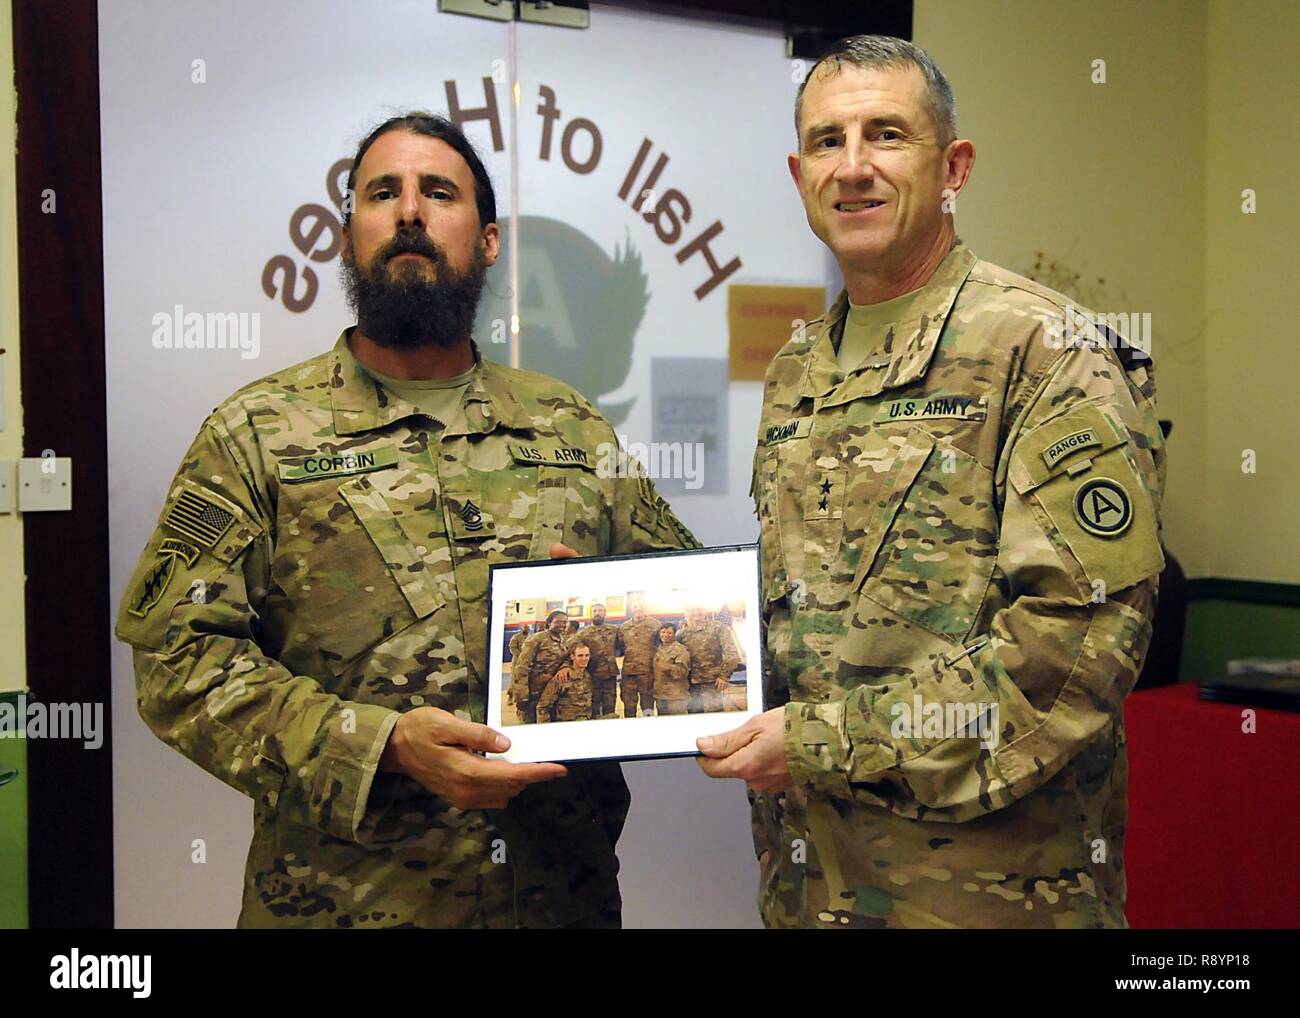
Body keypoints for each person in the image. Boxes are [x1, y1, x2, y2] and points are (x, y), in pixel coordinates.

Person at [114, 111, 698, 929]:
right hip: (342, 907)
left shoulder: (570, 429)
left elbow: (708, 637)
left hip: (557, 900)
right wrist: (377, 743)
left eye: (439, 192)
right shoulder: (256, 434)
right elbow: (178, 662)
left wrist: (619, 626)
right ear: (348, 238)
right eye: (383, 192)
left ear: (488, 240)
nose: (411, 212)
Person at [696, 36, 1165, 930]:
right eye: (828, 142)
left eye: (886, 135)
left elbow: (1076, 651)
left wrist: (821, 742)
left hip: (986, 897)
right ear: (799, 174)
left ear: (954, 165)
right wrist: (634, 629)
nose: (854, 167)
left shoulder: (1045, 351)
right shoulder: (798, 368)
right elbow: (804, 615)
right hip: (813, 885)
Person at [675, 605, 740, 714]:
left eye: (699, 608)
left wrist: (724, 676)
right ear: (686, 613)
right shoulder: (681, 634)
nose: (696, 612)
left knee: (714, 718)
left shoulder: (718, 628)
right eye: (692, 609)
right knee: (694, 718)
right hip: (690, 685)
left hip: (712, 684)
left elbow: (731, 653)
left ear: (705, 611)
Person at [510, 611, 571, 724]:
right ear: (549, 623)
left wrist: (564, 667)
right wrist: (521, 696)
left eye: (565, 622)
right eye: (558, 622)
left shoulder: (564, 640)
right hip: (533, 694)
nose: (562, 625)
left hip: (551, 693)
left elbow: (567, 659)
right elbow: (522, 667)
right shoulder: (536, 639)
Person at [567, 602, 621, 718]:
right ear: (590, 614)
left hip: (610, 677)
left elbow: (623, 646)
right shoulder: (583, 634)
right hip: (592, 677)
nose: (597, 613)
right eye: (595, 611)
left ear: (605, 614)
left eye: (600, 610)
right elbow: (568, 650)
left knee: (610, 708)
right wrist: (565, 667)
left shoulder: (614, 630)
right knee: (593, 709)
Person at [618, 602, 661, 717]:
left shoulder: (655, 625)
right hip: (629, 675)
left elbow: (662, 645)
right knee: (629, 707)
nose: (638, 608)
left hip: (648, 674)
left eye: (641, 606)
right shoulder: (624, 627)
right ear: (632, 609)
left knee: (648, 708)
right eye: (636, 606)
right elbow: (621, 647)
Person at [536, 643, 594, 724]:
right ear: (572, 657)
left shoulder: (587, 676)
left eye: (587, 655)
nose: (584, 658)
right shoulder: (563, 677)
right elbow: (543, 707)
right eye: (580, 656)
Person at [651, 623, 692, 716]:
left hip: (676, 696)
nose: (665, 635)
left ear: (674, 634)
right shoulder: (658, 649)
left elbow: (681, 672)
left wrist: (666, 667)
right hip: (660, 695)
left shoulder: (680, 650)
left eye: (669, 633)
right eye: (663, 632)